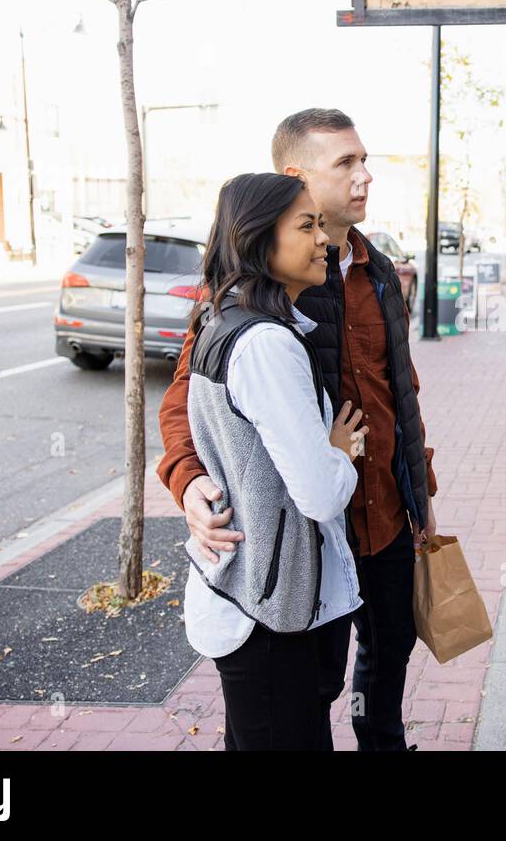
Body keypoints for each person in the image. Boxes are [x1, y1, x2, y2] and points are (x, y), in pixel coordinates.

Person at [159, 109, 438, 751]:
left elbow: (403, 389)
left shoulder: (377, 271)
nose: (365, 176)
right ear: (296, 177)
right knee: (306, 693)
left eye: (364, 160)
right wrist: (188, 479)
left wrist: (420, 492)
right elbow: (186, 397)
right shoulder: (264, 288)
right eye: (345, 163)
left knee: (388, 654)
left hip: (387, 516)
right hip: (313, 534)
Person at [182, 171, 369, 750]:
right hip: (270, 614)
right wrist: (339, 453)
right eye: (307, 226)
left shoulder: (225, 320)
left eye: (322, 225)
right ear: (261, 239)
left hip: (254, 596)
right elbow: (317, 493)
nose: (325, 241)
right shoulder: (266, 344)